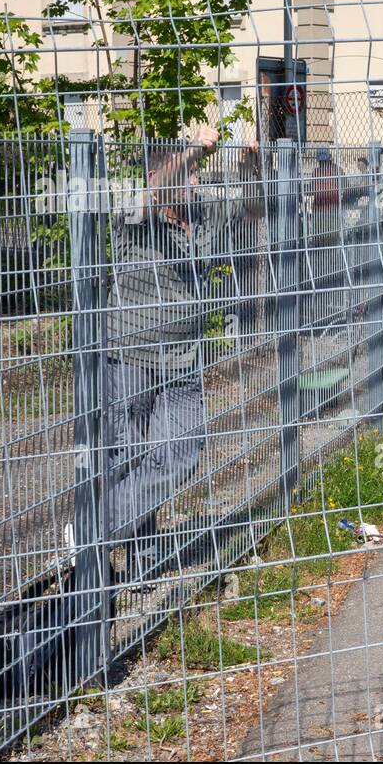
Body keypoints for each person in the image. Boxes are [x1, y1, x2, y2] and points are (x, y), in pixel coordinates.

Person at [104, 125, 264, 583]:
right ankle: (140, 562)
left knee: (180, 454)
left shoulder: (204, 211)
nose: (195, 182)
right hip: (129, 354)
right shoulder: (133, 209)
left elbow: (253, 206)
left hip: (183, 359)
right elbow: (158, 190)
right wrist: (194, 150)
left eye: (196, 175)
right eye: (188, 174)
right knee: (128, 460)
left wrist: (251, 164)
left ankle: (98, 527)